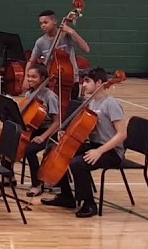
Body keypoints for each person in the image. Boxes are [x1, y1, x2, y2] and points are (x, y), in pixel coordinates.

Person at [42, 68, 126, 218]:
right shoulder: (91, 103)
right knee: (58, 150)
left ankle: (89, 204)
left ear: (99, 83)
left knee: (78, 163)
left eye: (87, 81)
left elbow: (122, 134)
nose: (84, 85)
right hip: (95, 145)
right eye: (83, 81)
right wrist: (67, 134)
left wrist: (99, 151)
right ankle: (66, 196)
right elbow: (86, 129)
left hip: (111, 151)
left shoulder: (111, 104)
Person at [17, 62, 62, 197]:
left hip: (48, 130)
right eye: (28, 76)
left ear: (43, 78)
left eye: (34, 77)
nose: (30, 79)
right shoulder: (29, 93)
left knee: (30, 150)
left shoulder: (49, 96)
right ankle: (9, 177)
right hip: (34, 127)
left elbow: (57, 122)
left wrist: (43, 137)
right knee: (11, 137)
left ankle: (37, 184)